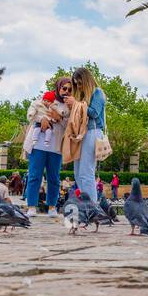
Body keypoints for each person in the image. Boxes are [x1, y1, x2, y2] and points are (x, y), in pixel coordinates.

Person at [62, 66, 105, 204]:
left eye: (79, 83)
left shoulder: (97, 92)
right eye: (76, 84)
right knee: (78, 173)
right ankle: (86, 203)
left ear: (86, 80)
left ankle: (92, 206)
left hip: (92, 132)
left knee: (86, 172)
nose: (78, 86)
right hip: (81, 134)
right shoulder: (81, 95)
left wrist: (76, 104)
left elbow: (94, 113)